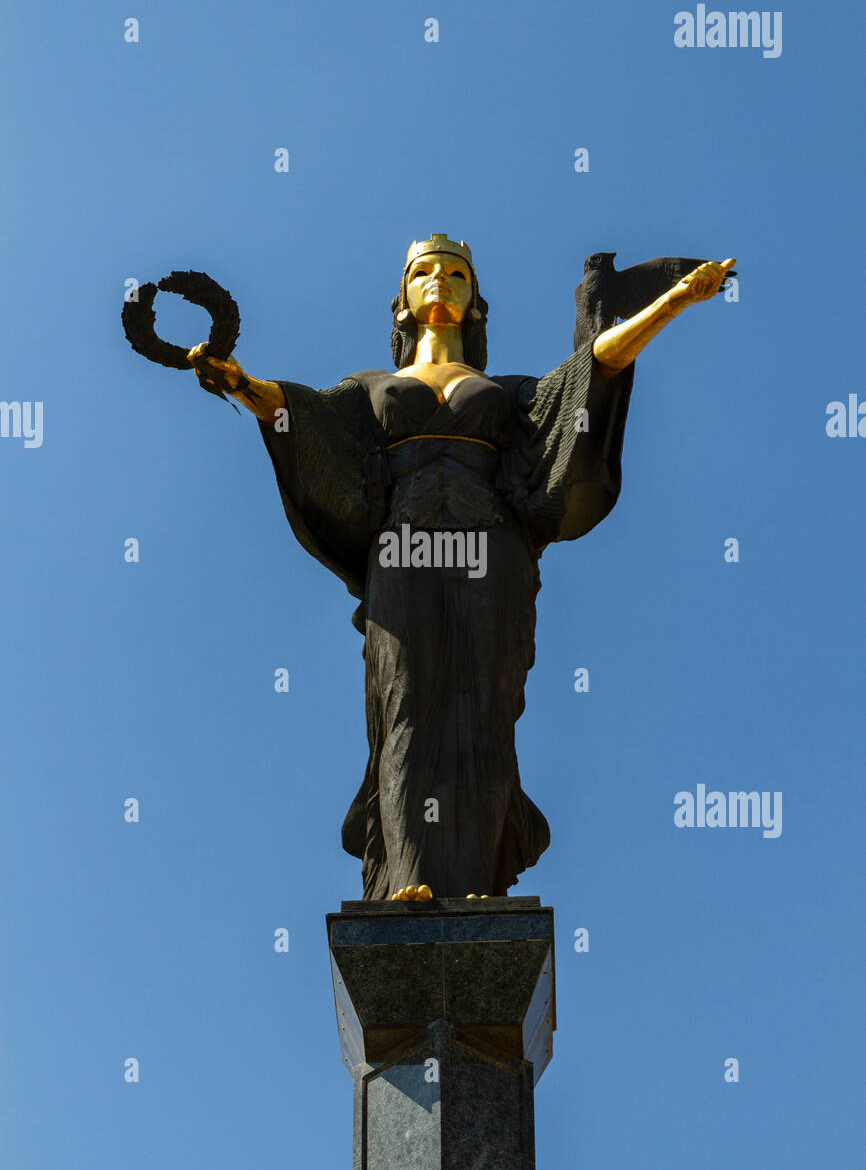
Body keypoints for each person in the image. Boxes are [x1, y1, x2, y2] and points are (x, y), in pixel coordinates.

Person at [188, 234, 733, 901]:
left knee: (483, 711)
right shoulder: (370, 388)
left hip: (491, 551)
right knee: (409, 705)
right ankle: (410, 882)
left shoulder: (508, 392)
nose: (440, 282)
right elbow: (300, 415)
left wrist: (673, 302)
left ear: (475, 298)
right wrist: (239, 381)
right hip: (404, 550)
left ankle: (477, 885)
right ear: (402, 300)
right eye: (424, 272)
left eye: (455, 273)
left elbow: (591, 370)